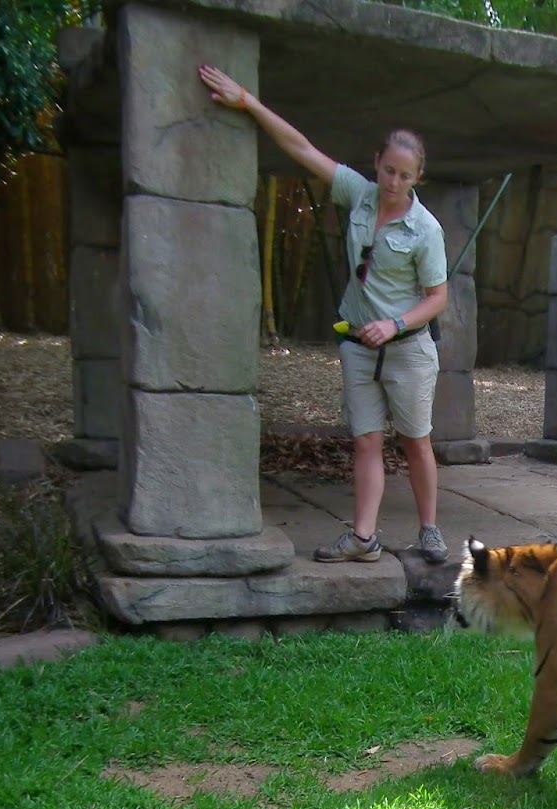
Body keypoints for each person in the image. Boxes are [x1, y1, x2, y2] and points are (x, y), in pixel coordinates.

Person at [199, 64, 450, 564]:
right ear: (375, 163)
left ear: (418, 177)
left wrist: (396, 323)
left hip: (407, 351)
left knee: (416, 442)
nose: (394, 181)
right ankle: (363, 539)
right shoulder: (358, 193)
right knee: (365, 442)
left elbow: (438, 297)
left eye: (405, 175)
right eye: (388, 170)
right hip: (358, 346)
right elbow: (300, 148)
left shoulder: (426, 229)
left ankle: (429, 529)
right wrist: (248, 102)